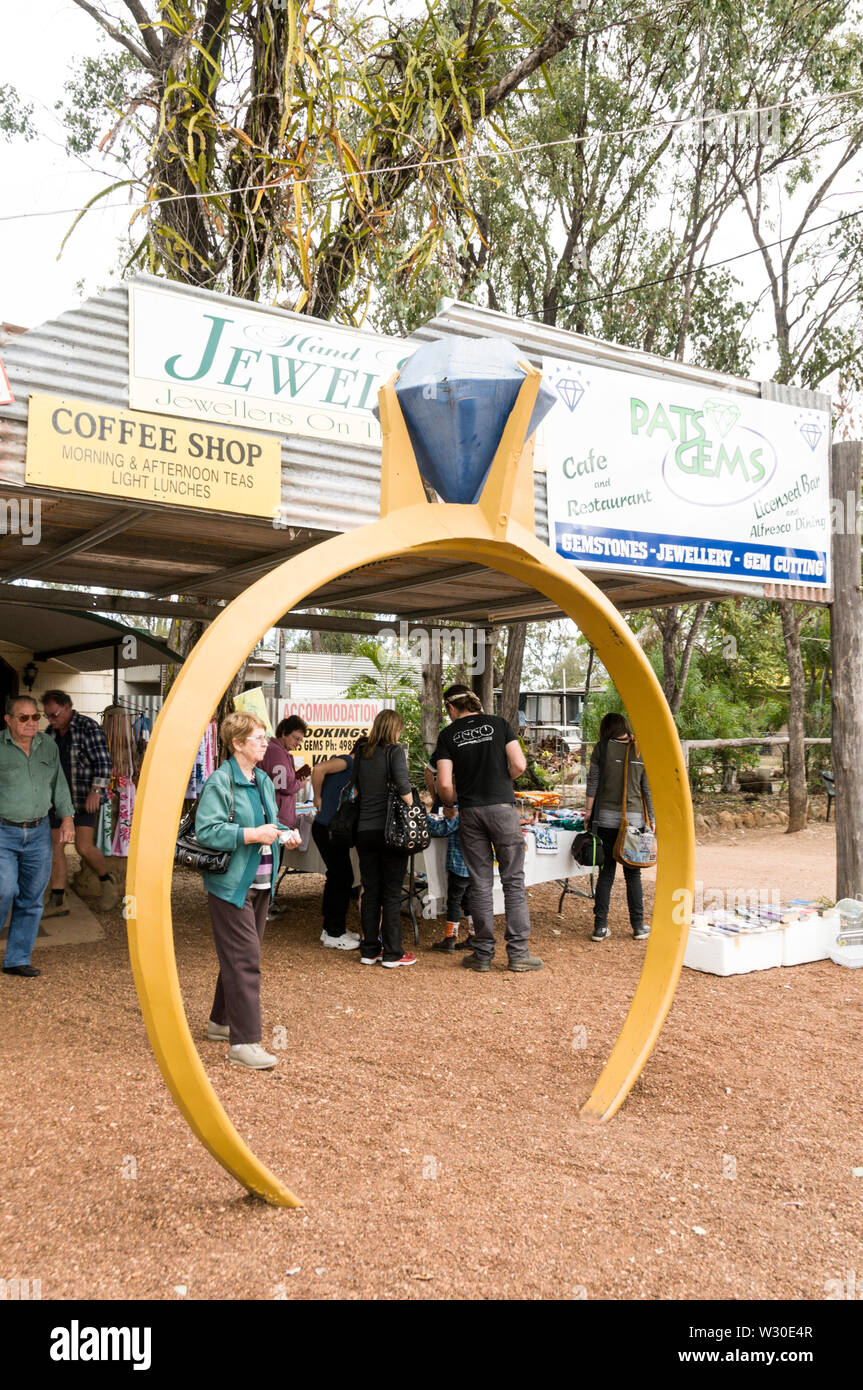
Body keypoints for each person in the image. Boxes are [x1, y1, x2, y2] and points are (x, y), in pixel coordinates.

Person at [195, 711, 300, 1069]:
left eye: (265, 736)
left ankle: (221, 1023)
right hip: (231, 886)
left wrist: (285, 831)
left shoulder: (261, 780)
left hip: (260, 884)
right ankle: (244, 1043)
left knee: (239, 958)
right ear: (237, 743)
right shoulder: (220, 782)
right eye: (257, 737)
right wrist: (252, 835)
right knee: (246, 961)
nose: (265, 743)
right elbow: (206, 831)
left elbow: (271, 820)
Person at [434, 690, 542, 973]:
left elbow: (444, 784)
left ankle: (482, 954)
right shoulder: (499, 724)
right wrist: (499, 779)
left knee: (479, 883)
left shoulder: (447, 736)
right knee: (513, 881)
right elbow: (519, 765)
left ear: (451, 707)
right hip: (503, 810)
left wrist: (448, 805)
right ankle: (518, 954)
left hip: (470, 812)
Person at [0, 695, 75, 977]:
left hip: (39, 832)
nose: (31, 723)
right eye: (24, 718)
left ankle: (17, 959)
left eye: (35, 717)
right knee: (4, 890)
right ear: (8, 720)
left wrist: (67, 819)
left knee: (31, 898)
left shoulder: (48, 746)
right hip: (3, 831)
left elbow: (59, 784)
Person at [41, 690, 119, 913]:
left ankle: (107, 881)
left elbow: (104, 763)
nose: (51, 719)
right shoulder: (50, 732)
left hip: (84, 799)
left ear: (67, 707)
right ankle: (58, 900)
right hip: (57, 800)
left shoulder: (88, 727)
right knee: (56, 846)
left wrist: (96, 790)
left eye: (54, 714)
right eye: (48, 716)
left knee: (83, 847)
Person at [584, 712, 654, 942]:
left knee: (606, 874)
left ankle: (600, 928)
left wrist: (587, 813)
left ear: (606, 729)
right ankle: (638, 926)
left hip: (604, 818)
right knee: (633, 875)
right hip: (633, 822)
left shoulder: (601, 749)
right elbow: (647, 789)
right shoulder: (640, 748)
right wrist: (651, 818)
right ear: (625, 726)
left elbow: (592, 783)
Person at [354, 710, 416, 968]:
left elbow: (356, 785)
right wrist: (413, 805)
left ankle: (369, 950)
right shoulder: (395, 752)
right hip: (391, 832)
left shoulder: (362, 753)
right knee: (391, 892)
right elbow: (403, 787)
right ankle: (393, 952)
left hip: (364, 830)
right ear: (395, 729)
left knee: (370, 891)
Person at [310, 741, 362, 950]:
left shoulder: (354, 769)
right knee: (342, 877)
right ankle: (334, 932)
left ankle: (331, 928)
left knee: (338, 876)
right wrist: (317, 796)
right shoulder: (347, 761)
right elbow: (318, 769)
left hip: (332, 829)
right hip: (326, 828)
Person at [426, 801, 475, 953]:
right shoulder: (477, 808)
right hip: (475, 865)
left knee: (454, 901)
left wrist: (424, 817)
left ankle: (450, 939)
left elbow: (441, 830)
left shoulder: (461, 812)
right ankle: (474, 936)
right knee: (469, 901)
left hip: (459, 864)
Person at [260, 716, 311, 829]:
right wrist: (299, 784)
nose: (298, 743)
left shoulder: (277, 751)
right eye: (296, 738)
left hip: (276, 818)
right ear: (284, 733)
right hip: (276, 820)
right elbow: (284, 786)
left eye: (300, 740)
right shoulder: (276, 752)